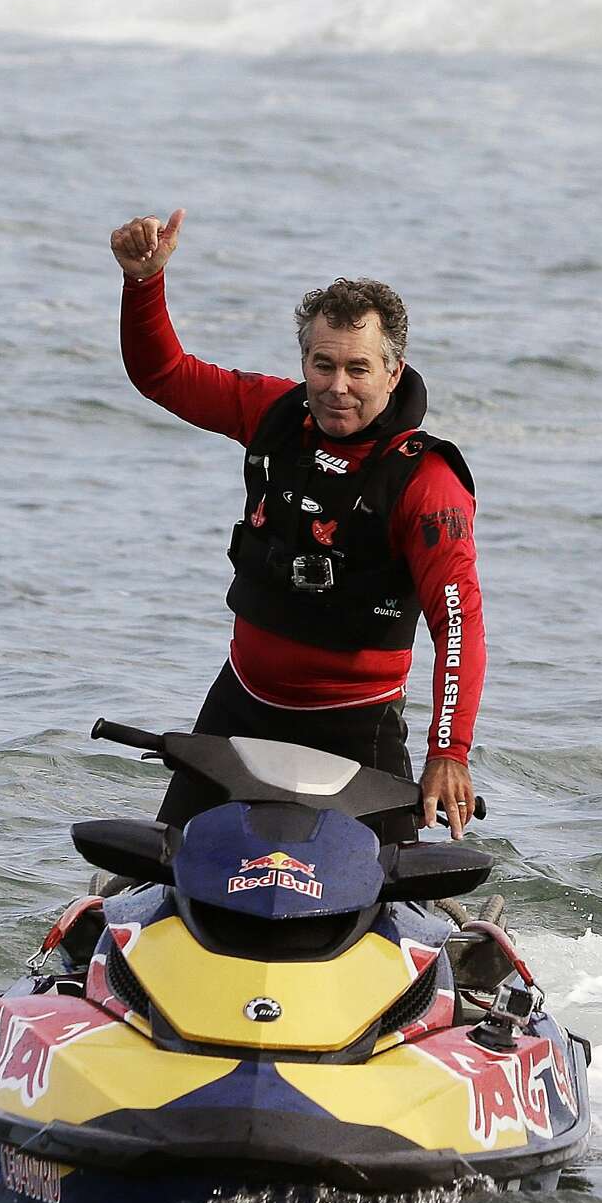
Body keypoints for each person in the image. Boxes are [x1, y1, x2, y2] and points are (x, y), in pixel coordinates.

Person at [111, 209, 485, 838]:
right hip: (243, 704)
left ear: (393, 373)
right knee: (167, 876)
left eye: (359, 369)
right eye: (323, 364)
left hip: (358, 728)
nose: (338, 387)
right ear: (304, 361)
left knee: (386, 911)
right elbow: (163, 375)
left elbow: (457, 621)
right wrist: (144, 283)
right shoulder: (273, 415)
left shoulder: (426, 483)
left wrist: (448, 753)